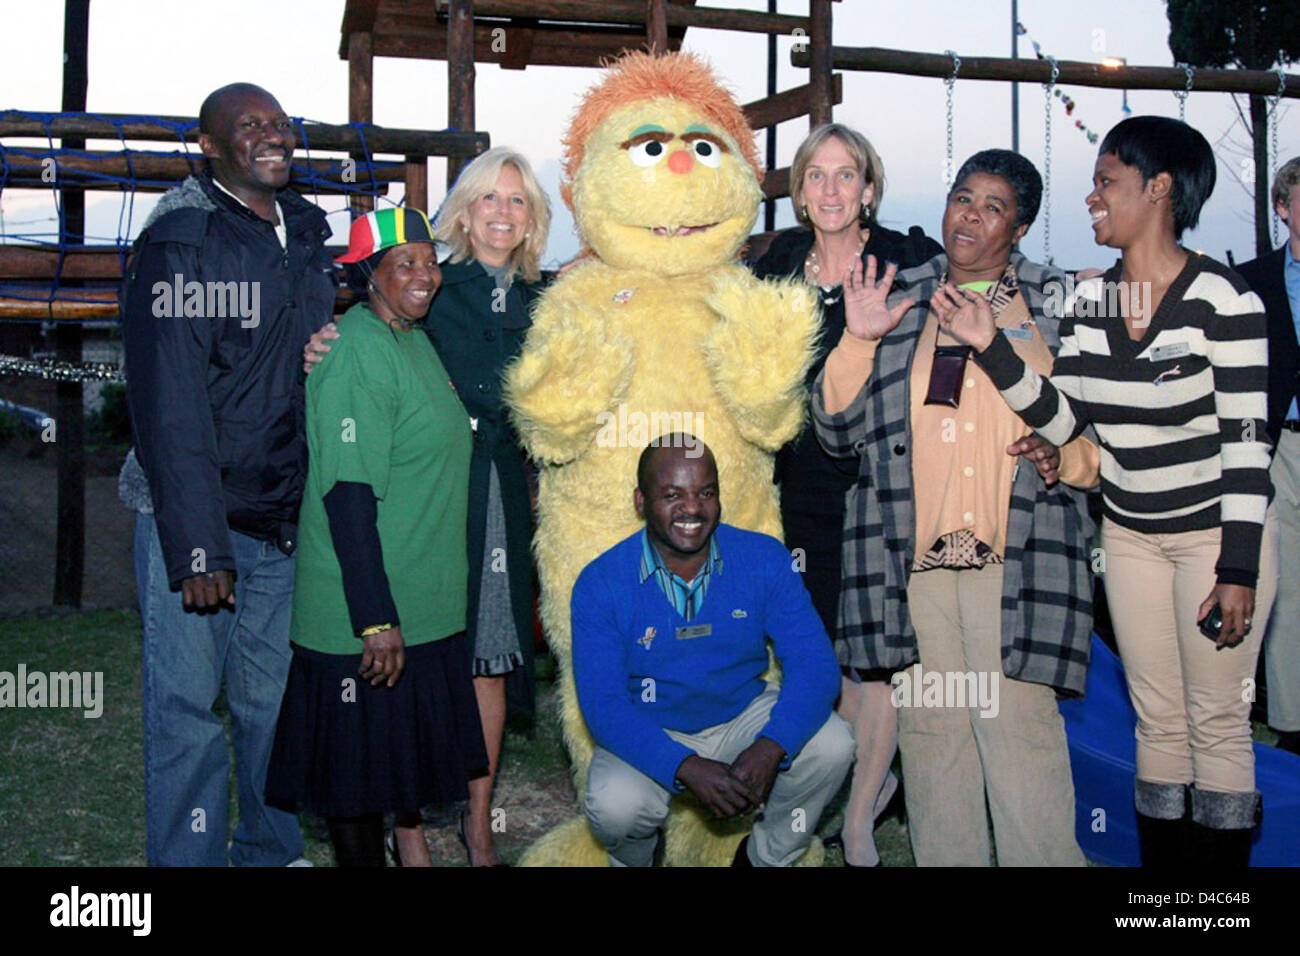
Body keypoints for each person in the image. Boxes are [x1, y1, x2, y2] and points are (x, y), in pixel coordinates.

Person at [942, 117, 1278, 867]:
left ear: (1158, 189)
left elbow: (1250, 448)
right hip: (1129, 535)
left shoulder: (1226, 299)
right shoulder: (1090, 303)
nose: (1092, 197)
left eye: (1106, 182)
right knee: (1157, 723)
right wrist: (990, 347)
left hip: (1216, 538)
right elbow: (1066, 413)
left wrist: (1238, 570)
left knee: (1216, 720)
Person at [812, 149, 1100, 867]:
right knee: (935, 743)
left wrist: (1053, 440)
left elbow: (1091, 442)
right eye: (961, 197)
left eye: (992, 206)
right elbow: (834, 432)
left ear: (1021, 225)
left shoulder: (1057, 301)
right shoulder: (899, 293)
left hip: (1019, 562)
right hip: (914, 566)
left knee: (1020, 743)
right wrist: (857, 337)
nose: (968, 215)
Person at [304, 147, 550, 866]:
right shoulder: (433, 285)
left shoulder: (551, 297)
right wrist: (325, 339)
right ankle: (409, 835)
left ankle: (478, 827)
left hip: (503, 492)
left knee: (488, 656)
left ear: (533, 218)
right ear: (464, 212)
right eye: (489, 199)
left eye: (518, 200)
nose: (503, 213)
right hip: (427, 495)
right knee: (417, 649)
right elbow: (375, 336)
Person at [118, 83, 335, 866]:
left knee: (272, 706)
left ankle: (270, 851)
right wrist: (198, 547)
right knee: (185, 711)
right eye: (249, 126)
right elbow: (169, 402)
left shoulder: (306, 232)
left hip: (278, 516)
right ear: (208, 146)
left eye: (280, 124)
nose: (272, 136)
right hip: (196, 521)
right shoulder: (184, 237)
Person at [265, 207, 489, 867]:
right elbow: (347, 496)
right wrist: (373, 620)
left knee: (387, 776)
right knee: (355, 789)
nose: (424, 276)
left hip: (423, 609)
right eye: (404, 264)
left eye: (429, 260)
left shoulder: (414, 338)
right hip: (367, 618)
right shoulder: (355, 350)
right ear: (369, 274)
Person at [749, 123, 940, 867]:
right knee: (820, 654)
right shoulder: (778, 267)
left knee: (877, 657)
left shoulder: (907, 262)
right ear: (799, 192)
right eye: (816, 176)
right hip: (799, 484)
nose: (831, 190)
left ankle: (859, 818)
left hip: (881, 483)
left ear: (869, 187)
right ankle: (857, 781)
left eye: (845, 175)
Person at [572, 435, 855, 867]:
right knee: (616, 806)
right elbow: (603, 706)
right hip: (652, 724)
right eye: (672, 495)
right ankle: (638, 858)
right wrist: (684, 765)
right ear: (640, 501)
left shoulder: (763, 558)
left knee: (833, 743)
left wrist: (771, 746)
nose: (692, 509)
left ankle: (765, 857)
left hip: (741, 713)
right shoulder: (602, 581)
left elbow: (815, 666)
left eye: (706, 492)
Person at [1236, 156, 1300, 757]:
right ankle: (1293, 722)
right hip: (1280, 445)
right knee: (1287, 588)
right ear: (1283, 208)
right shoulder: (1252, 281)